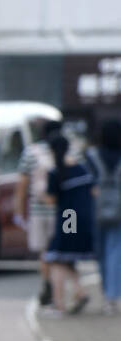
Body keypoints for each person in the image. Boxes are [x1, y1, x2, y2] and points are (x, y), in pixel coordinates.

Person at [43, 133, 96, 316]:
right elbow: (93, 191)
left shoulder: (55, 172)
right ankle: (79, 291)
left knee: (56, 258)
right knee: (66, 258)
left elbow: (51, 200)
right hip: (85, 217)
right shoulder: (82, 168)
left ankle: (59, 305)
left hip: (68, 217)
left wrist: (42, 195)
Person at [16, 119, 64, 306]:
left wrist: (19, 211)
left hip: (38, 211)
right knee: (68, 249)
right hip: (68, 212)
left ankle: (48, 285)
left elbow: (22, 185)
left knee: (45, 251)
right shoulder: (71, 151)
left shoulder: (31, 152)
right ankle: (70, 289)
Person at [87, 120, 121, 314]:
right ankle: (112, 297)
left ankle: (105, 290)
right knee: (116, 252)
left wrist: (72, 222)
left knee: (100, 253)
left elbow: (87, 182)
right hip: (119, 210)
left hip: (96, 209)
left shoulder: (92, 156)